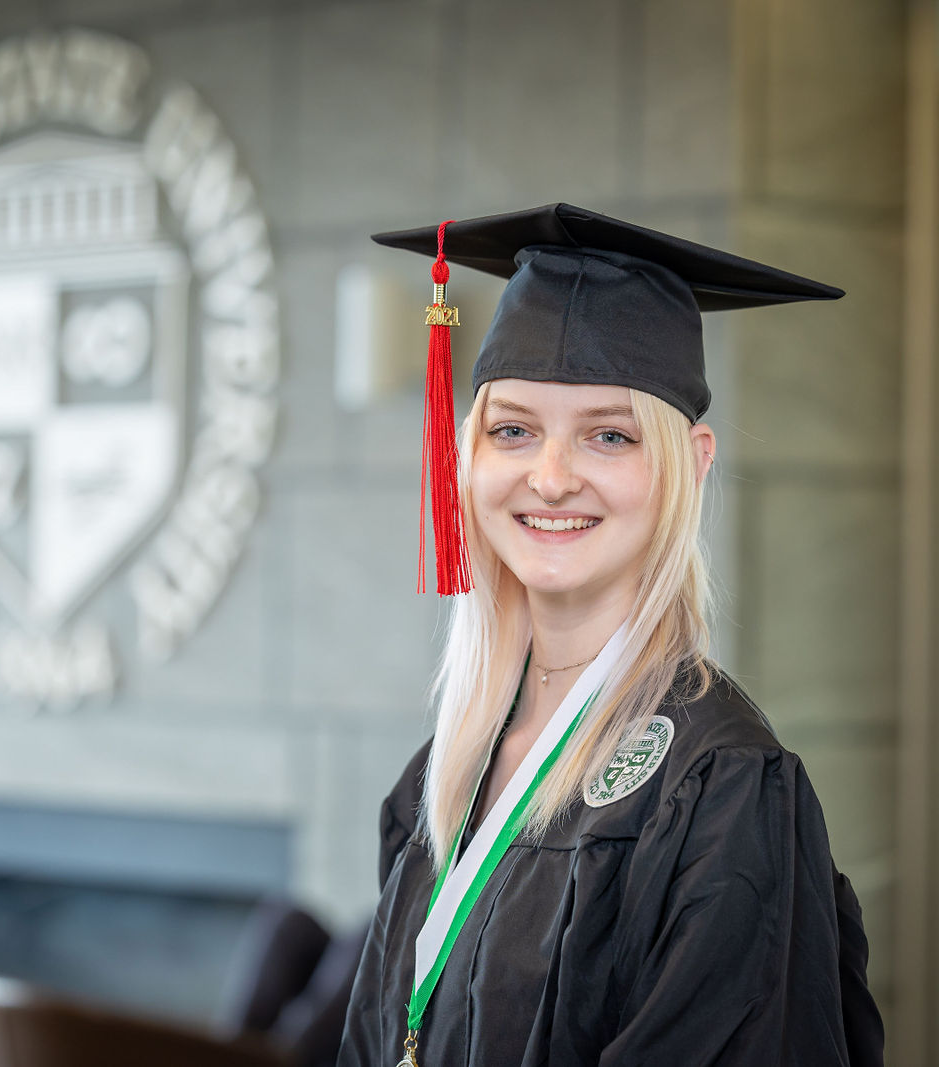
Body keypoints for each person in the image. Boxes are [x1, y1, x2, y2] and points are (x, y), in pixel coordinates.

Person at [335, 204, 885, 1067]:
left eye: (609, 435)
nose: (551, 478)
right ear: (467, 457)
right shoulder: (445, 772)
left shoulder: (722, 785)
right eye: (513, 429)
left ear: (691, 463)